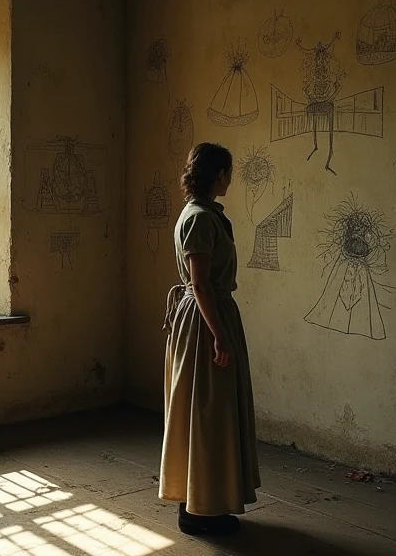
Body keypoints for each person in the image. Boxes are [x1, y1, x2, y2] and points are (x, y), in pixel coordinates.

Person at [159, 142, 260, 536]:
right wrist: (219, 336)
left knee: (206, 414)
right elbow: (200, 284)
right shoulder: (200, 218)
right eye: (228, 172)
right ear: (219, 175)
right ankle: (196, 510)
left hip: (208, 316)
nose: (230, 179)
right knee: (204, 414)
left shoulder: (203, 214)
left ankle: (204, 503)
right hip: (205, 321)